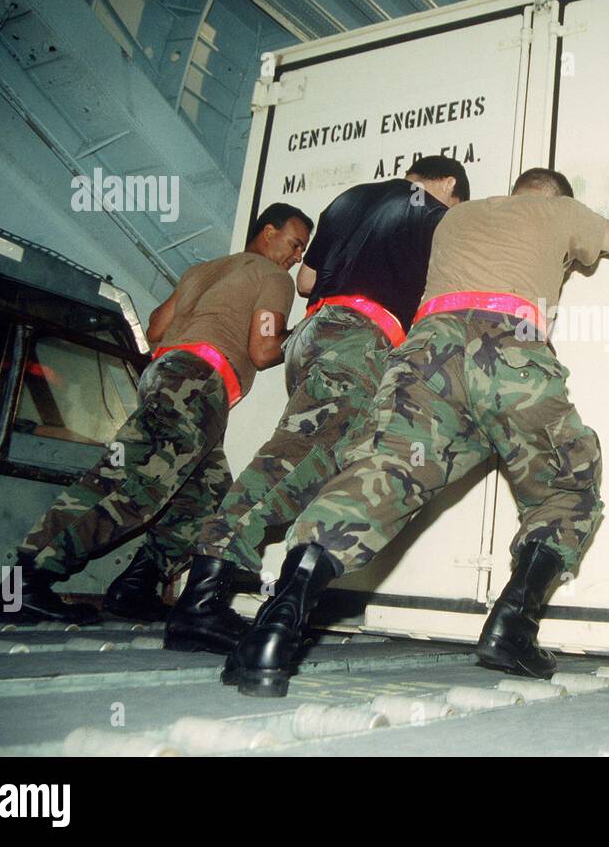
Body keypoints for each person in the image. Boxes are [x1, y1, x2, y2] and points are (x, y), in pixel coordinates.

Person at [224, 167, 609, 696]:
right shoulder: (558, 209)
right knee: (567, 481)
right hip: (509, 347)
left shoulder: (455, 218)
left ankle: (276, 629)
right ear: (554, 196)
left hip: (427, 352)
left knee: (385, 473)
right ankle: (512, 626)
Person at [165, 156, 469, 654]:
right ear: (450, 186)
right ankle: (201, 600)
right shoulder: (435, 214)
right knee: (296, 459)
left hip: (312, 334)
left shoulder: (348, 200)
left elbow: (306, 283)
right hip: (360, 339)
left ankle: (248, 596)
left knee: (315, 462)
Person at [10, 203, 313, 625]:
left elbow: (155, 329)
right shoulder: (272, 277)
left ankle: (136, 586)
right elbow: (263, 350)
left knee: (206, 497)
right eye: (295, 244)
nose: (297, 255)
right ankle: (29, 577)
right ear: (268, 232)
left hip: (164, 375)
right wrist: (307, 333)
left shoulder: (202, 270)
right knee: (137, 487)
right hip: (197, 384)